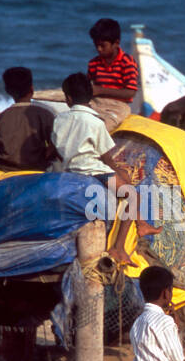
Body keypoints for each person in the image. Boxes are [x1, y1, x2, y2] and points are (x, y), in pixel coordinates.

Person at [52, 72, 149, 266]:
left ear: (68, 99)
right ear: (90, 97)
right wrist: (120, 171)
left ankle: (141, 225)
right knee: (132, 195)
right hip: (94, 170)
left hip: (70, 169)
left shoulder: (59, 120)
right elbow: (105, 156)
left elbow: (57, 149)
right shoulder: (95, 122)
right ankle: (119, 247)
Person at [0, 67, 57, 171]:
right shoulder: (45, 114)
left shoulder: (2, 116)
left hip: (4, 169)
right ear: (32, 89)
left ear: (8, 91)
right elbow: (54, 146)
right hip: (34, 170)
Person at [87, 17, 139, 132]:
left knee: (104, 128)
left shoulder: (127, 62)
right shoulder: (93, 63)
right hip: (97, 103)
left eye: (102, 45)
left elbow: (130, 92)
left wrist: (100, 90)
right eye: (96, 45)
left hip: (119, 106)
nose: (99, 49)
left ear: (116, 43)